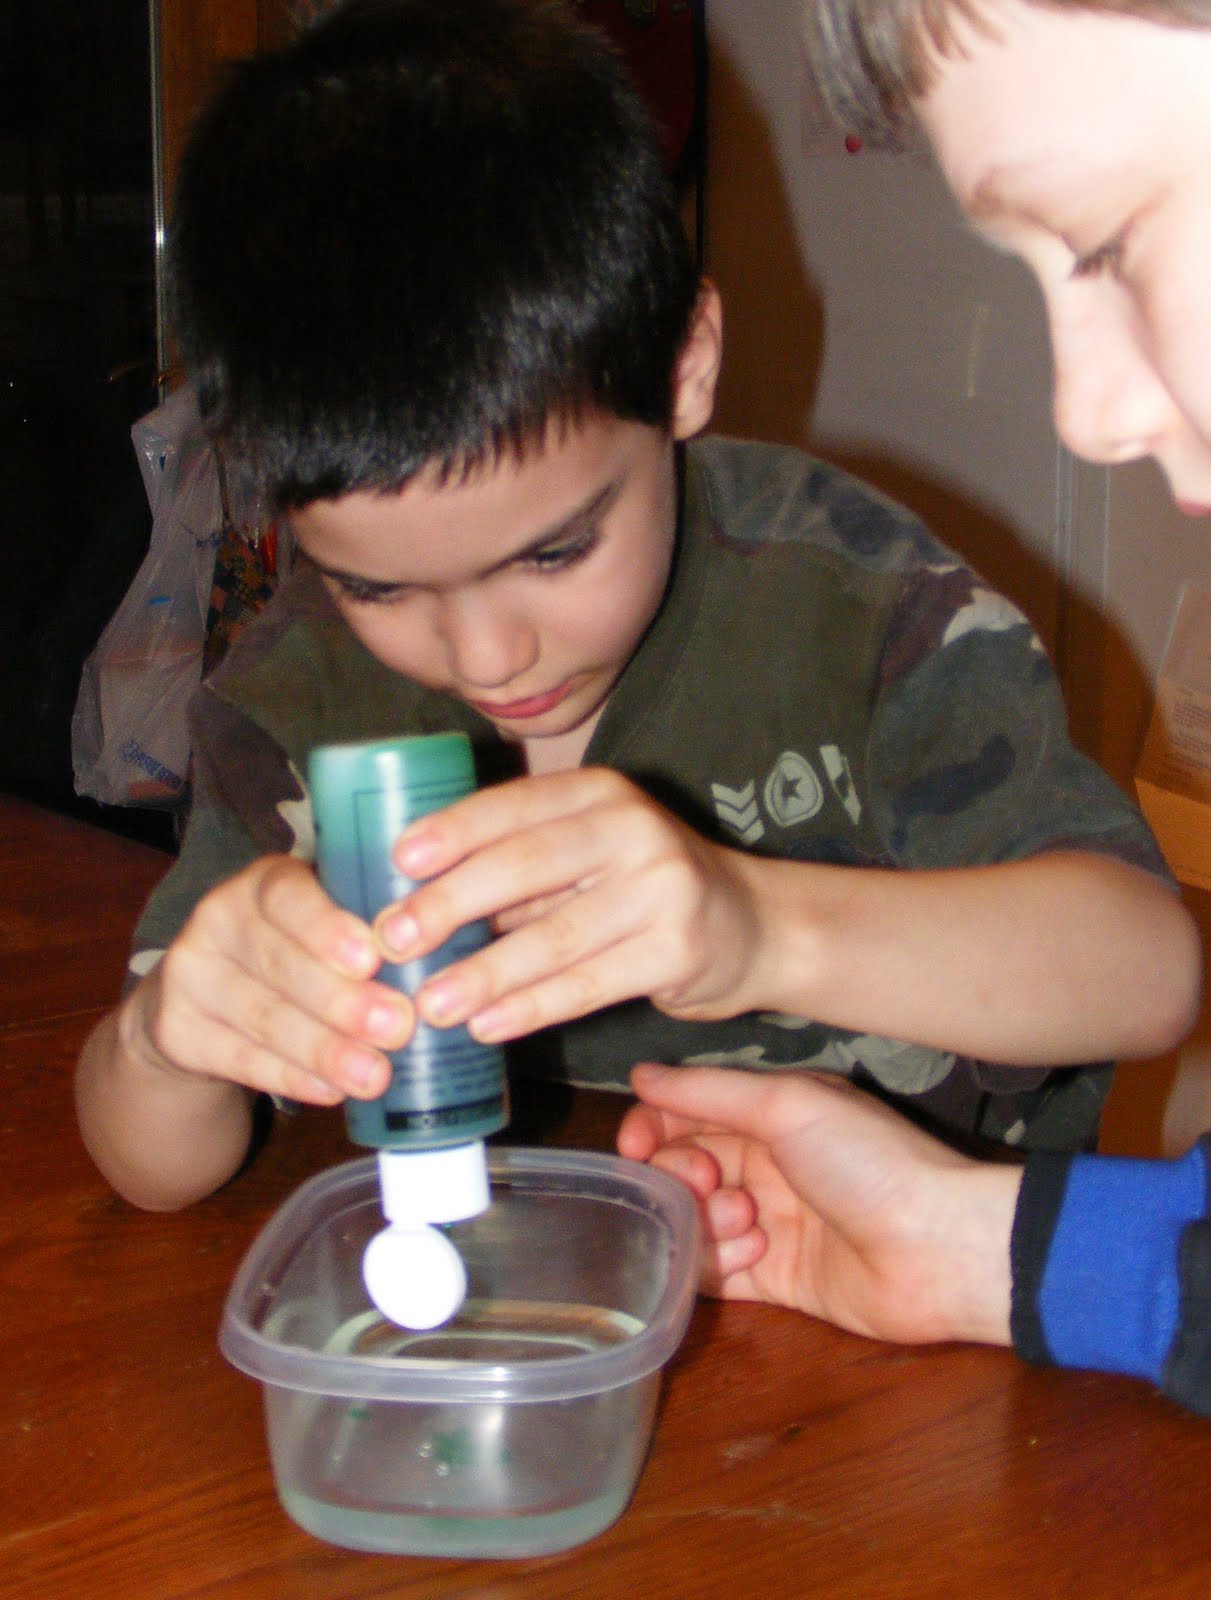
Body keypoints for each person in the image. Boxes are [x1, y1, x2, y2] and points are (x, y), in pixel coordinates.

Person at [75, 0, 1198, 1215]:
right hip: (540, 1292)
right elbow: (152, 1168)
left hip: (917, 1304)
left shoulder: (853, 602)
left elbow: (1143, 969)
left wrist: (755, 925)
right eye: (376, 585)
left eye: (555, 550)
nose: (488, 651)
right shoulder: (297, 693)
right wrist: (162, 1040)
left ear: (682, 366)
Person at [620, 0, 1211, 1418]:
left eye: (1104, 240)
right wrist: (965, 1247)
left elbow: (1139, 962)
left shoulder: (856, 598)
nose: (1083, 414)